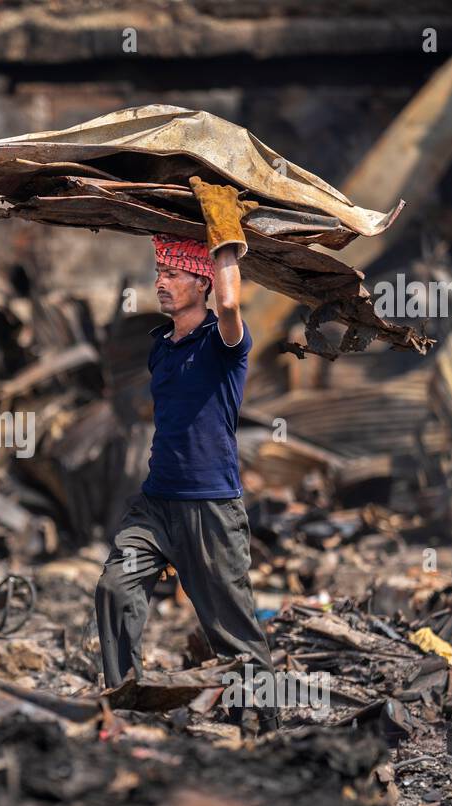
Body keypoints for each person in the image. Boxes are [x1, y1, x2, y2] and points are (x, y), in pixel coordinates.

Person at [94, 179, 281, 735]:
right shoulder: (160, 346)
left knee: (233, 630)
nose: (161, 283)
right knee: (114, 587)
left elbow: (231, 302)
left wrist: (224, 237)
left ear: (201, 282)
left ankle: (266, 727)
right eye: (159, 272)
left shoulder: (225, 346)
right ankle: (124, 701)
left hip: (211, 508)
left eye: (173, 274)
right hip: (156, 505)